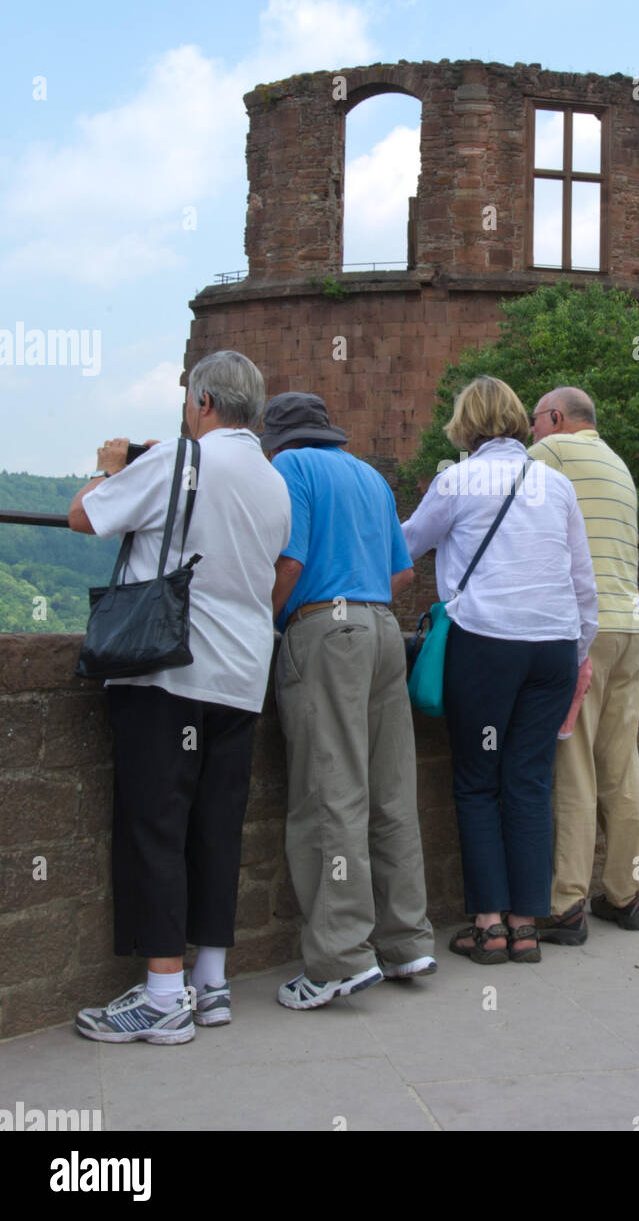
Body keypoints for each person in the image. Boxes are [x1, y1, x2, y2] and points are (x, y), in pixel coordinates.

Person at [69, 351, 292, 1044]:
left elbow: (84, 517)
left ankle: (163, 995)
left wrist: (111, 467)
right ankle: (211, 982)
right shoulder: (274, 481)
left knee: (155, 822)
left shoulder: (179, 460)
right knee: (214, 827)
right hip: (241, 675)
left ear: (202, 403)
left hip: (170, 669)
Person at [402, 376, 596, 964]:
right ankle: (526, 924)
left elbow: (403, 546)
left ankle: (487, 926)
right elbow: (583, 584)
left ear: (466, 424)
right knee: (530, 782)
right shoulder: (556, 485)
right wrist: (578, 652)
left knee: (479, 782)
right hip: (553, 649)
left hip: (487, 643)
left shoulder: (455, 480)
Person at [263, 393, 435, 1007]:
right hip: (383, 627)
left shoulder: (290, 469)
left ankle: (339, 957)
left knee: (328, 788)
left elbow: (290, 559)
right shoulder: (367, 475)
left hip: (326, 631)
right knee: (391, 788)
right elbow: (402, 574)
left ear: (278, 438)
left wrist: (267, 619)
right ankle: (406, 940)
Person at [527, 386, 639, 944]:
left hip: (588, 628)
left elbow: (495, 478)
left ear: (555, 418)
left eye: (533, 422)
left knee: (574, 763)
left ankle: (567, 902)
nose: (529, 433)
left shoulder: (553, 453)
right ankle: (626, 894)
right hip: (631, 625)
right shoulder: (618, 462)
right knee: (620, 767)